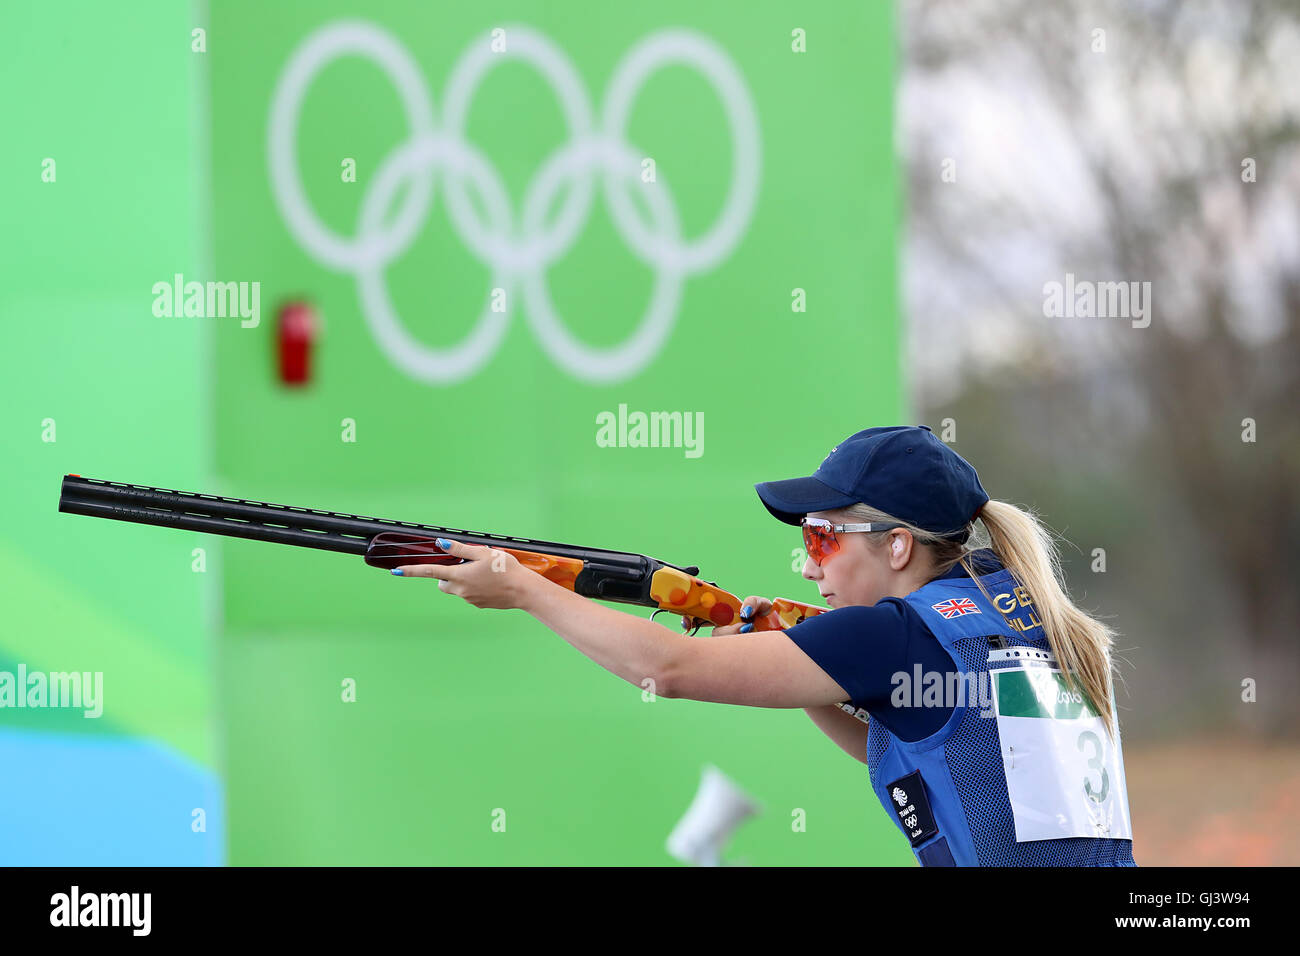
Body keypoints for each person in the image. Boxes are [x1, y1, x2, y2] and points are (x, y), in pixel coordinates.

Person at [392, 425, 1135, 866]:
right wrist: (804, 672)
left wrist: (524, 588)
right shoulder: (1022, 613)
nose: (809, 564)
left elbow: (667, 668)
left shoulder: (891, 635)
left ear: (899, 545)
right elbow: (944, 751)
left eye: (822, 535)